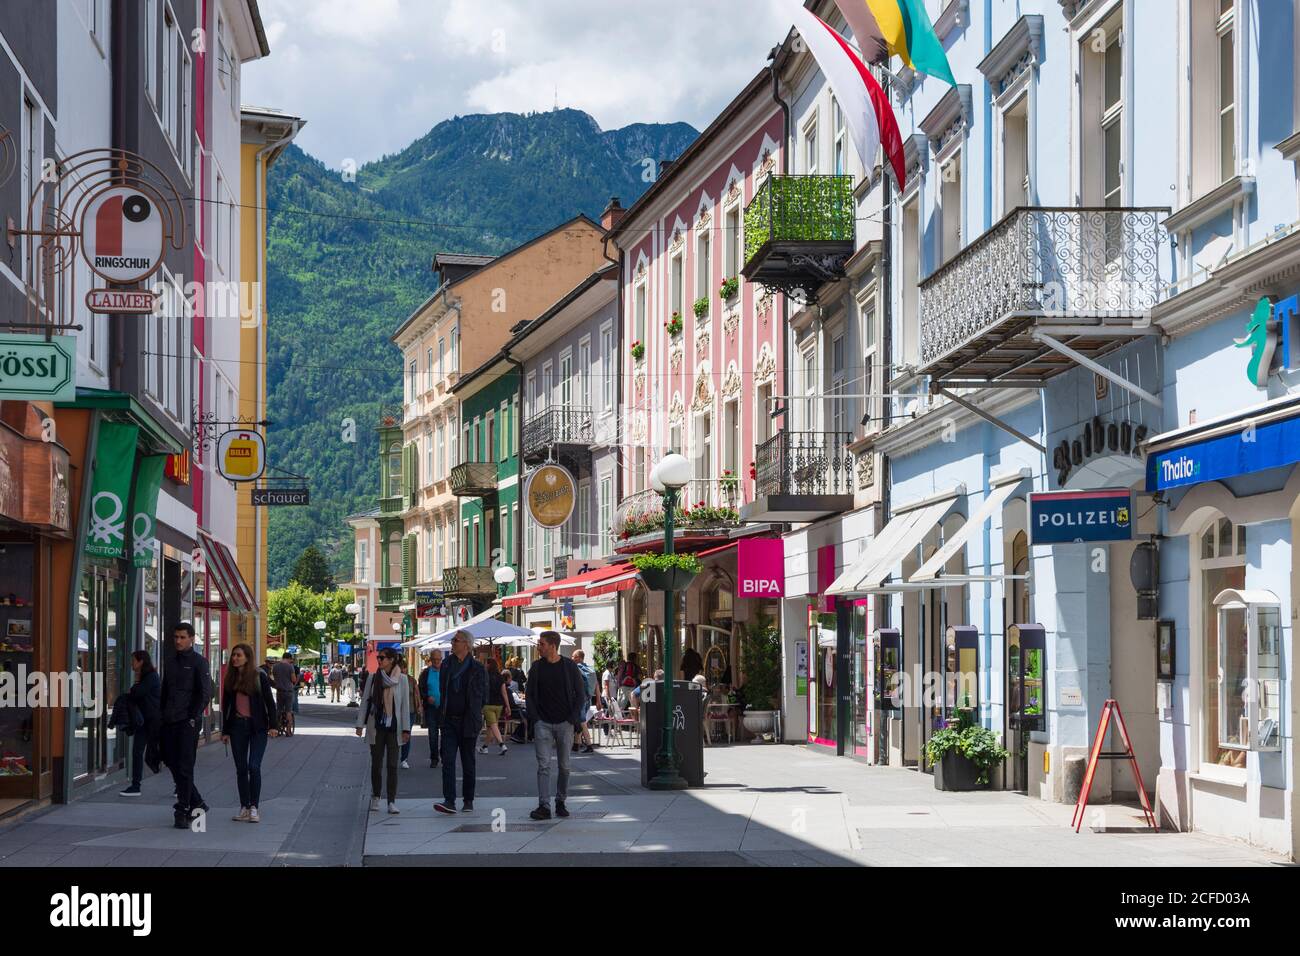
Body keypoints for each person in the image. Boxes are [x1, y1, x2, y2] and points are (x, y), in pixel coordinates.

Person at [526, 631, 587, 820]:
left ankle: (560, 801)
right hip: (542, 723)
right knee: (543, 765)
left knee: (565, 766)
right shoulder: (536, 667)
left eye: (541, 644)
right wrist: (535, 718)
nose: (538, 647)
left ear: (552, 646)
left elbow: (580, 694)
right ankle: (544, 805)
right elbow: (529, 695)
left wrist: (571, 718)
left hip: (564, 723)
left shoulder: (569, 667)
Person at [159, 622, 212, 829]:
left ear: (192, 638)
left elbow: (205, 693)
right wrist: (161, 715)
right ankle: (197, 802)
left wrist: (193, 717)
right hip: (169, 720)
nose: (178, 641)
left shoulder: (199, 662)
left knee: (185, 766)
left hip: (187, 722)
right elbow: (165, 690)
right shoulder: (171, 662)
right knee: (171, 762)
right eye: (176, 637)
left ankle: (182, 809)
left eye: (182, 637)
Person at [220, 642, 278, 823]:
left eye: (239, 655)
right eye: (234, 655)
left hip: (258, 728)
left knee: (254, 766)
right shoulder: (230, 678)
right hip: (237, 727)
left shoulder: (259, 677)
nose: (235, 658)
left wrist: (273, 726)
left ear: (247, 658)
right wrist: (225, 731)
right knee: (241, 769)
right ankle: (244, 806)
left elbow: (270, 702)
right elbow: (226, 707)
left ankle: (254, 807)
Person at [433, 631, 486, 815]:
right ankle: (449, 800)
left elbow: (483, 696)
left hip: (469, 721)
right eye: (453, 640)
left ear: (466, 645)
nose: (452, 643)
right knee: (447, 760)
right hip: (449, 720)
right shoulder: (447, 664)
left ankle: (468, 800)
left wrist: (475, 715)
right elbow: (442, 689)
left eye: (456, 640)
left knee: (468, 762)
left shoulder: (477, 668)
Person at [354, 648, 410, 814]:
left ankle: (392, 801)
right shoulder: (373, 678)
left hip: (394, 728)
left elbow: (404, 706)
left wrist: (406, 729)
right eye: (378, 657)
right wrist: (359, 724)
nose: (379, 660)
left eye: (382, 658)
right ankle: (376, 796)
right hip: (376, 727)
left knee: (392, 765)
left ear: (392, 660)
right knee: (376, 765)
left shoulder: (402, 679)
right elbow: (365, 702)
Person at [119, 650, 161, 797]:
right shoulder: (145, 676)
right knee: (137, 752)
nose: (131, 663)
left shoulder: (151, 677)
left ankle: (180, 785)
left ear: (141, 661)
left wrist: (136, 681)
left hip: (153, 721)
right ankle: (135, 785)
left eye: (133, 660)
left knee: (162, 753)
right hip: (143, 721)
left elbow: (136, 693)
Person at [477, 657, 510, 756]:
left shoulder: (485, 676)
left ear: (489, 665)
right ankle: (485, 747)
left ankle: (502, 744)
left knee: (493, 725)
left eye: (486, 663)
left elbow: (481, 691)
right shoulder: (500, 677)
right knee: (490, 727)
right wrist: (507, 706)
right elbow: (504, 692)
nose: (484, 665)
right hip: (499, 705)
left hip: (488, 704)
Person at [417, 650, 443, 768]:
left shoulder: (446, 671)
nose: (437, 662)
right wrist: (427, 697)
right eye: (435, 660)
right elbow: (420, 689)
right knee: (433, 734)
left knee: (446, 734)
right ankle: (434, 758)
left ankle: (444, 754)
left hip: (444, 708)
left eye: (439, 660)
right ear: (431, 660)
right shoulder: (426, 673)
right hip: (431, 708)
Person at [571, 649, 597, 754]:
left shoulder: (577, 668)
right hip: (588, 698)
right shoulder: (589, 668)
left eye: (573, 656)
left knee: (582, 722)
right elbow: (596, 685)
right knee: (580, 721)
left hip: (580, 699)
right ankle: (576, 745)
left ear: (578, 658)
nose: (571, 658)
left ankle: (589, 745)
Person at [398, 658, 422, 768]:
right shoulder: (394, 680)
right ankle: (394, 755)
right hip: (397, 712)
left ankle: (404, 759)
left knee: (407, 734)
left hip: (410, 711)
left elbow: (417, 694)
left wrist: (419, 706)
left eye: (404, 667)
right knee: (396, 734)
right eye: (401, 668)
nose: (403, 670)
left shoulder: (412, 680)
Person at [271, 652, 297, 735]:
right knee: (288, 710)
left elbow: (274, 678)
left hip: (279, 691)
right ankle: (289, 730)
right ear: (289, 658)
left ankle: (277, 727)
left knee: (278, 710)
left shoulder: (275, 666)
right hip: (288, 691)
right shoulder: (290, 666)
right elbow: (293, 679)